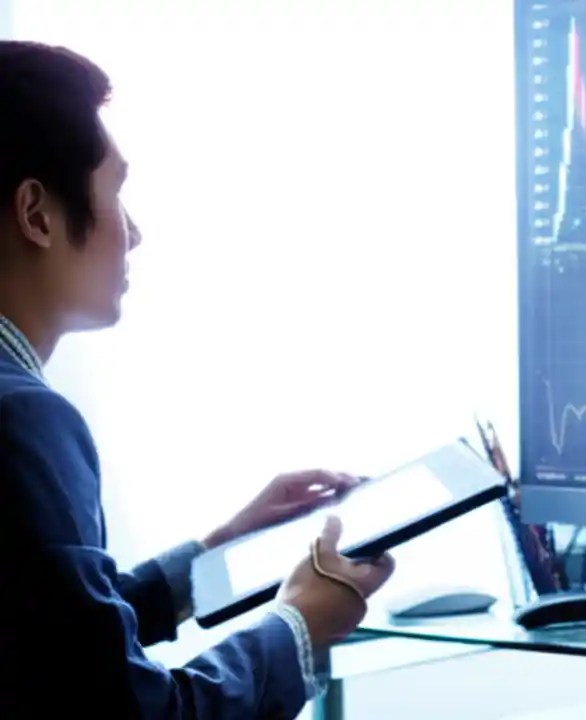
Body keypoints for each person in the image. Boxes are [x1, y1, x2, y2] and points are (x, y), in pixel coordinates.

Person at [0, 41, 396, 717]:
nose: (136, 232)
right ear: (38, 214)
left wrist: (215, 552)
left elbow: (45, 646)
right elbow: (134, 711)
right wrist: (302, 625)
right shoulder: (25, 419)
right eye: (116, 193)